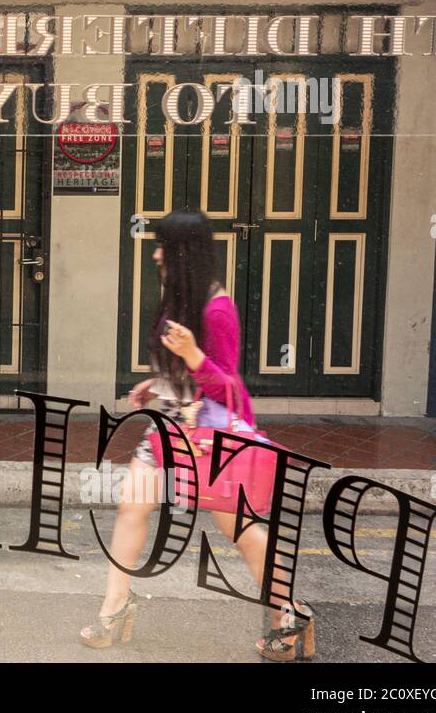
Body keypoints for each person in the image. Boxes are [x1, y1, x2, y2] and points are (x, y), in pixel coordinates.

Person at [79, 210, 314, 661]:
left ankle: (289, 615)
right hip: (170, 425)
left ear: (184, 252)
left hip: (211, 435)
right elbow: (185, 373)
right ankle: (115, 609)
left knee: (239, 530)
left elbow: (226, 386)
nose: (155, 253)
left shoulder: (216, 307)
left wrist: (192, 354)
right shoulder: (178, 297)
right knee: (131, 506)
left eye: (163, 245)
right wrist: (159, 384)